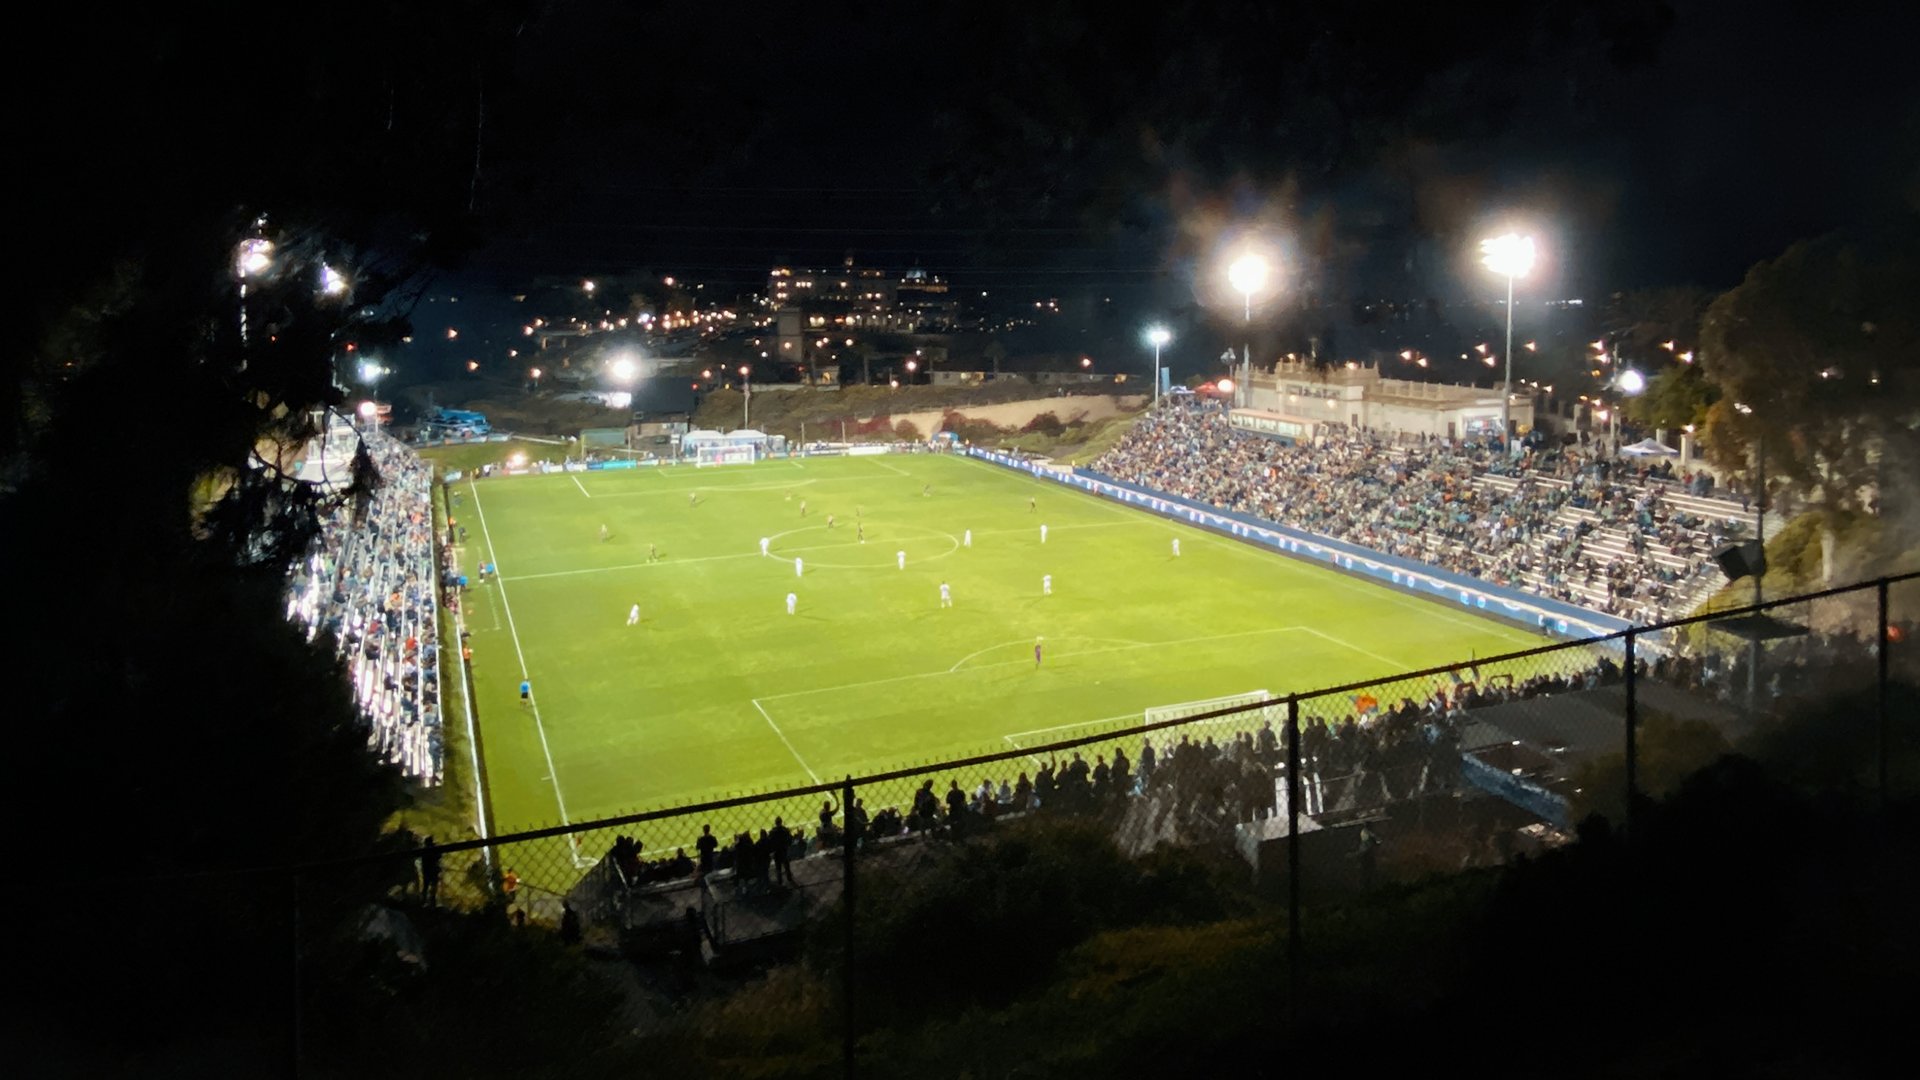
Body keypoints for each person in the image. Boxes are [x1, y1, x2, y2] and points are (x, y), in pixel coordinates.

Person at [769, 817, 794, 885]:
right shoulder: (785, 830)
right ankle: (789, 878)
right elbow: (790, 839)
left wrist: (772, 850)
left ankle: (780, 881)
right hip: (784, 850)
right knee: (786, 865)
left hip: (777, 852)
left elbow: (770, 842)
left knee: (778, 868)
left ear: (775, 822)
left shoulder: (773, 831)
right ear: (781, 821)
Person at [419, 837, 441, 906]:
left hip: (428, 871)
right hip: (431, 870)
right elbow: (438, 857)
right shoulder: (430, 850)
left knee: (427, 886)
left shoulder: (424, 850)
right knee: (431, 886)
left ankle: (425, 901)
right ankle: (430, 901)